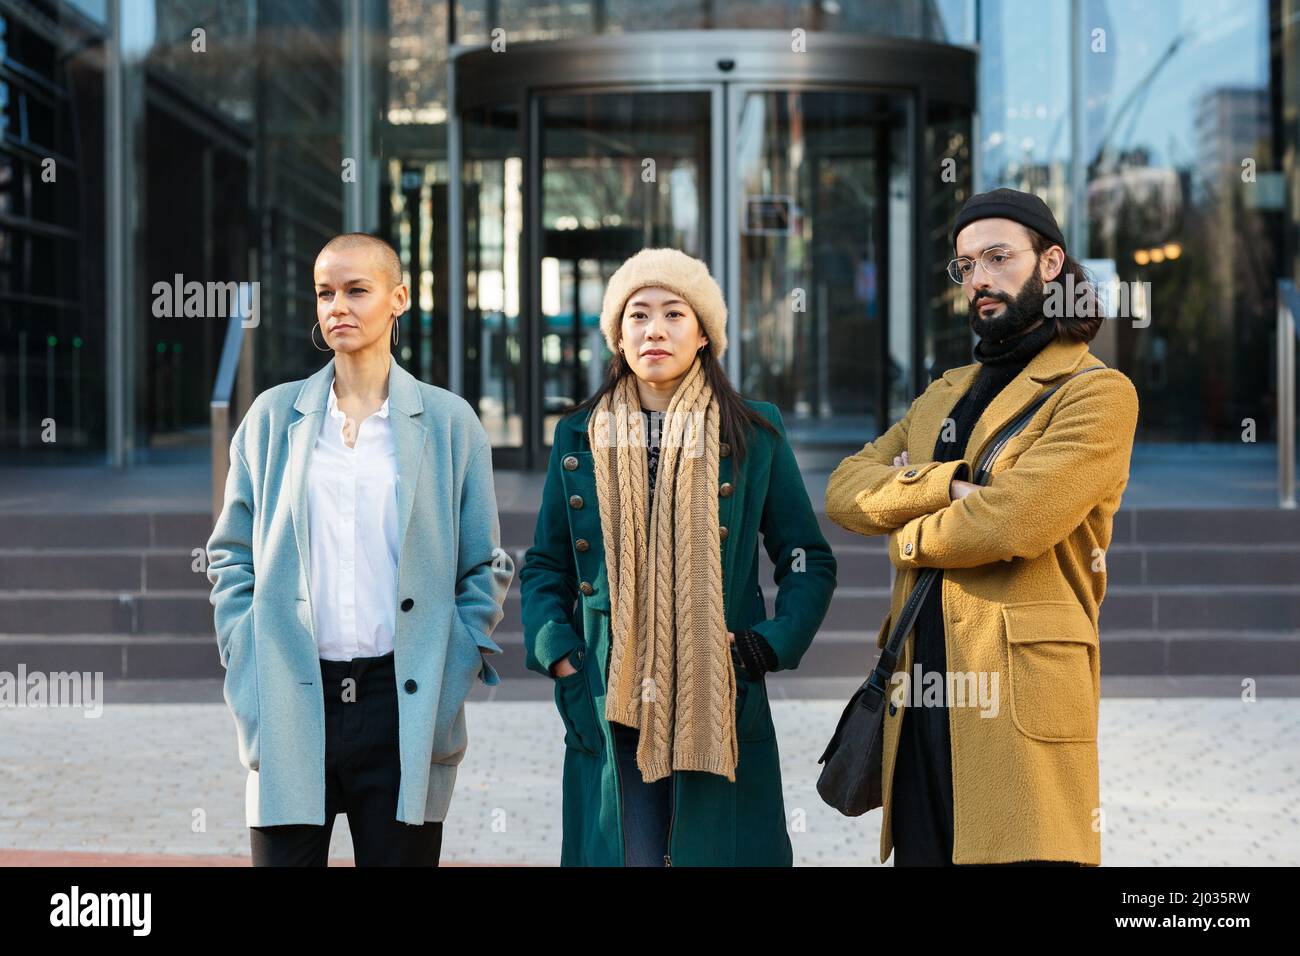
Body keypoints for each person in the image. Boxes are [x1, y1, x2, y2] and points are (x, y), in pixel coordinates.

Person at [826, 188, 1139, 867]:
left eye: (998, 257)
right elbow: (846, 490)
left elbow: (1014, 522)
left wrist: (905, 526)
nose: (980, 280)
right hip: (920, 688)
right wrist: (948, 485)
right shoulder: (944, 392)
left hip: (1018, 699)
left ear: (1051, 262)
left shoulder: (1096, 392)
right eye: (966, 266)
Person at [519, 247, 836, 866]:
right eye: (637, 315)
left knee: (714, 853)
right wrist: (560, 656)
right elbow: (545, 565)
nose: (654, 329)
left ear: (703, 336)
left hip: (714, 688)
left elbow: (805, 556)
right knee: (626, 855)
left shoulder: (754, 431)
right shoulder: (578, 433)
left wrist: (768, 644)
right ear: (618, 334)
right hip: (609, 691)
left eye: (673, 314)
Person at [205, 232, 513, 866]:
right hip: (293, 695)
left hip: (399, 701)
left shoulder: (450, 423)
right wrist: (244, 656)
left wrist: (453, 667)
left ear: (398, 298)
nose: (337, 306)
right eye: (325, 293)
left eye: (356, 290)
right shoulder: (270, 418)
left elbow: (484, 565)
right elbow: (230, 554)